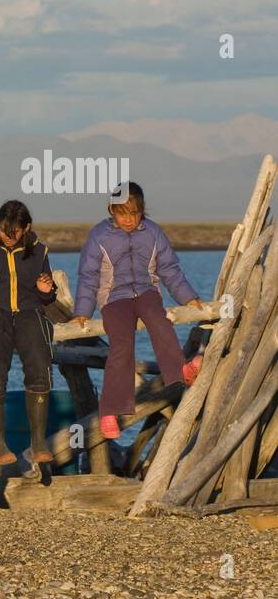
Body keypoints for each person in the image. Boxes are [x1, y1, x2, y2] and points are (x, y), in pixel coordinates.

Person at [71, 182, 204, 439]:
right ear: (111, 209)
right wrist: (82, 311)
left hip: (146, 292)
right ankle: (110, 410)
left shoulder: (153, 232)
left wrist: (189, 298)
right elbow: (88, 276)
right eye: (122, 213)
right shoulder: (99, 236)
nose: (129, 219)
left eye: (135, 213)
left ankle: (181, 371)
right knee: (121, 343)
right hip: (114, 298)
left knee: (159, 321)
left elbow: (169, 269)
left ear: (143, 210)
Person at [0, 200, 57, 478]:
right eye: (4, 231)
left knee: (41, 372)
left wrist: (45, 290)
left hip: (31, 315)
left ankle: (39, 441)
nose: (9, 237)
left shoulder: (40, 250)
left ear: (26, 227)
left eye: (15, 232)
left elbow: (49, 295)